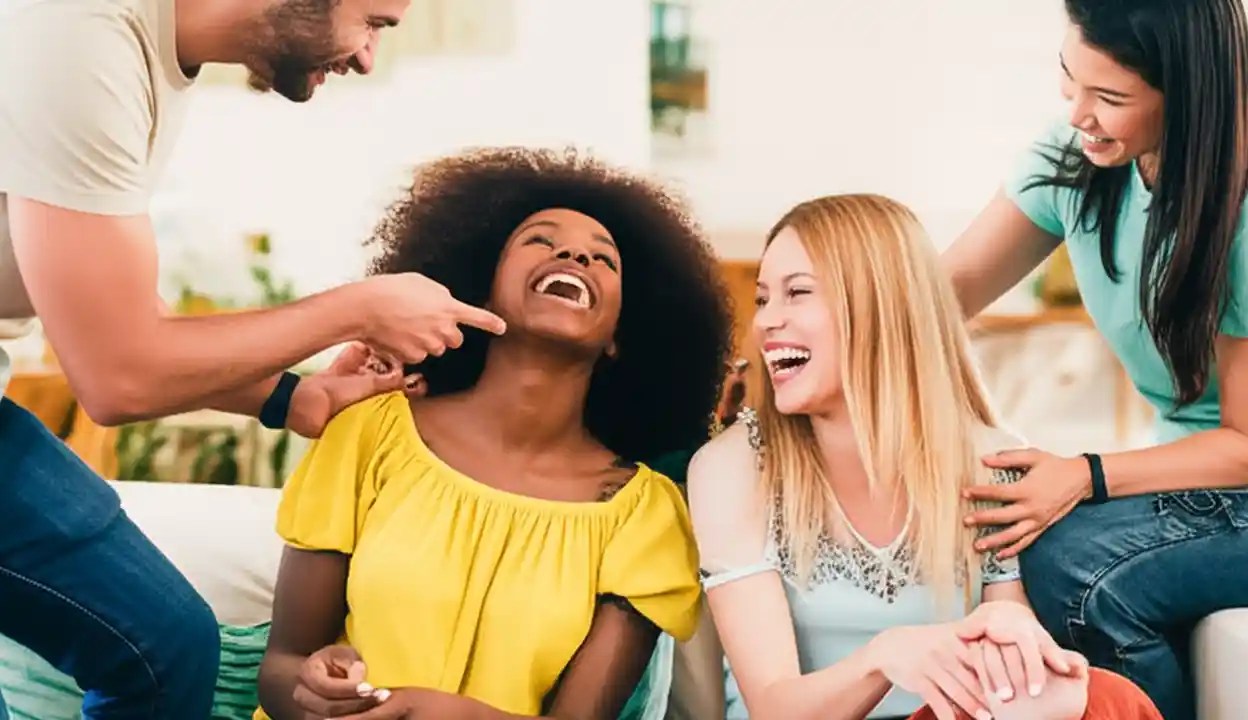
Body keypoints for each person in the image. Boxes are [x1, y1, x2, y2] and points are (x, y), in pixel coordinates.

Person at [0, 0, 513, 715]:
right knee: (157, 648)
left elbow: (115, 313)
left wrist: (291, 397)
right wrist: (358, 308)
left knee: (166, 646)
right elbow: (117, 376)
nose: (368, 57)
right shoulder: (81, 29)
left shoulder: (135, 51)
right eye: (374, 22)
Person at [253, 147, 735, 720]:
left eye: (604, 259)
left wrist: (434, 713)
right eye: (539, 239)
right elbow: (283, 665)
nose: (574, 253)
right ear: (480, 292)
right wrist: (312, 693)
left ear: (619, 335)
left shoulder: (642, 515)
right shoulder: (370, 432)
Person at [682, 194, 1161, 720]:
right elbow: (775, 708)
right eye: (763, 299)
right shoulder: (733, 468)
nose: (767, 322)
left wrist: (1016, 641)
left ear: (882, 305)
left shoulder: (993, 458)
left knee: (1107, 699)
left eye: (797, 293)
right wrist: (884, 657)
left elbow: (1007, 656)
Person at [943, 1, 1248, 717]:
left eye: (1110, 98)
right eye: (1070, 81)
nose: (1079, 114)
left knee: (1081, 568)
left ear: (1188, 96)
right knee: (1022, 532)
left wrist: (1084, 474)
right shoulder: (1073, 158)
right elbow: (942, 298)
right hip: (1212, 476)